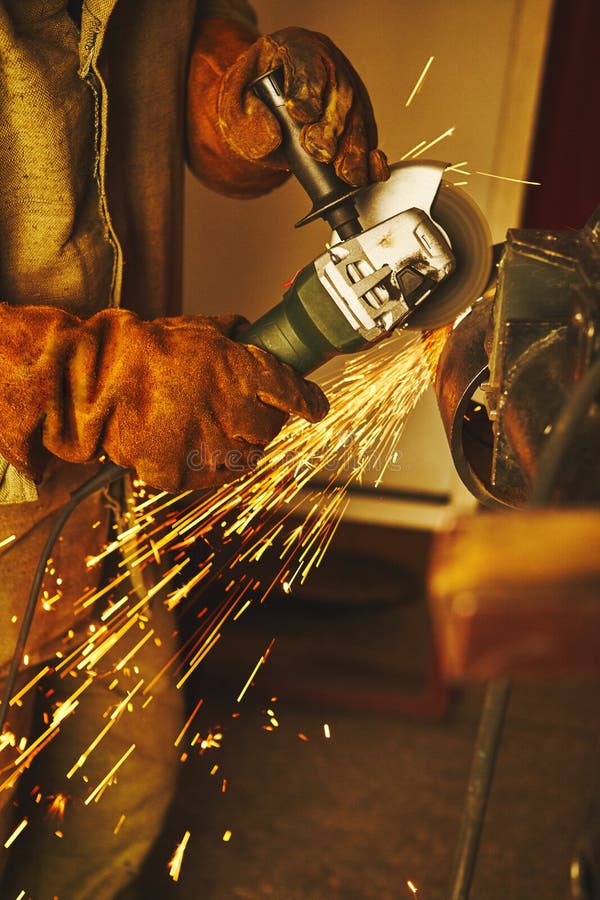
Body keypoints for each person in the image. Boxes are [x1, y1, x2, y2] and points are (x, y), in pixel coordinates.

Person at [0, 1, 388, 895]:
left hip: (116, 489)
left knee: (120, 797)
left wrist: (240, 89)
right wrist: (106, 383)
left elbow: (183, 35)